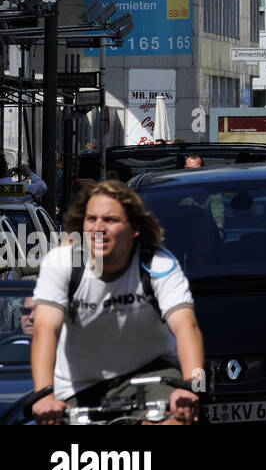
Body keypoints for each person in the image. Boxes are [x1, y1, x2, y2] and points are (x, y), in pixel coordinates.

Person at [28, 179, 204, 425]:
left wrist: (195, 388)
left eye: (110, 220)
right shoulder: (63, 262)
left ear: (135, 228)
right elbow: (45, 327)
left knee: (179, 420)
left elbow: (187, 327)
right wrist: (44, 394)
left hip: (153, 373)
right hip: (79, 384)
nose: (98, 228)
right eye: (91, 219)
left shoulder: (158, 264)